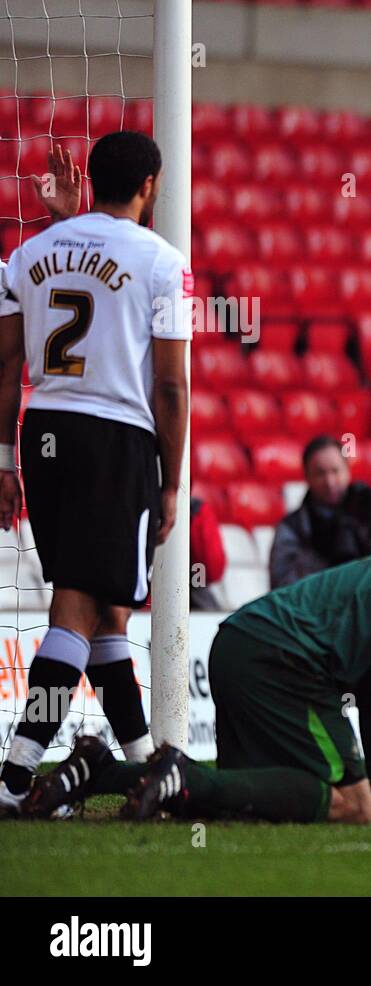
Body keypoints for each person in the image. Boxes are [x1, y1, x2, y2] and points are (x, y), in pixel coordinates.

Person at [25, 552, 371, 824]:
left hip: (245, 644)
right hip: (281, 660)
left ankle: (99, 769)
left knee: (253, 795)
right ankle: (174, 775)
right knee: (350, 806)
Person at [0, 131, 190, 815]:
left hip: (44, 431)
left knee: (104, 606)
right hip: (114, 439)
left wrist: (3, 459)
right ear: (150, 185)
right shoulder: (164, 263)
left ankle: (148, 768)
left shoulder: (31, 253)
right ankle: (16, 777)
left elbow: (5, 362)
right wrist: (171, 481)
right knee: (78, 608)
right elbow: (170, 386)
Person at [269, 435, 371, 589]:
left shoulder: (370, 512)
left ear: (348, 471)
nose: (330, 482)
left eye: (335, 471)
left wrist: (370, 544)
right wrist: (320, 560)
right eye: (320, 473)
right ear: (307, 477)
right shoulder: (293, 527)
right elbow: (281, 587)